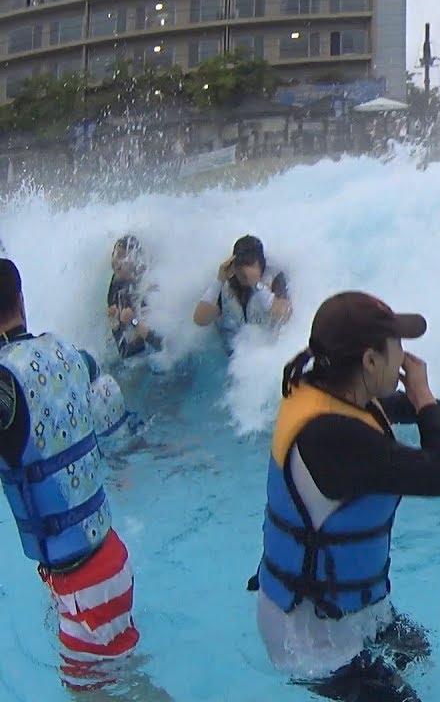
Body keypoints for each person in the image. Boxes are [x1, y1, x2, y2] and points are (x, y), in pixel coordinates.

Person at [251, 290, 440, 702]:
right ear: (369, 360)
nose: (405, 357)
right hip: (311, 635)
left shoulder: (322, 388)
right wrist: (426, 396)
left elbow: (387, 405)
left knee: (417, 652)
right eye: (397, 346)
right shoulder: (331, 438)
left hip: (351, 607)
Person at [0, 259, 170, 699]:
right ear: (21, 300)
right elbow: (108, 407)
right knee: (127, 682)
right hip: (107, 558)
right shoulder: (66, 352)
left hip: (84, 588)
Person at [192, 235, 291, 352]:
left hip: (264, 355)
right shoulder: (227, 284)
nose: (244, 272)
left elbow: (284, 315)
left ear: (261, 263)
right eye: (241, 265)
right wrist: (219, 281)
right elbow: (200, 319)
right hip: (234, 356)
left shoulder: (275, 278)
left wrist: (256, 285)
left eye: (250, 265)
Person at [106, 235, 162, 359]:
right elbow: (125, 353)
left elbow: (163, 345)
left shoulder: (148, 286)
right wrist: (115, 327)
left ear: (135, 259)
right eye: (114, 254)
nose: (115, 260)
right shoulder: (116, 285)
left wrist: (133, 322)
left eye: (121, 256)